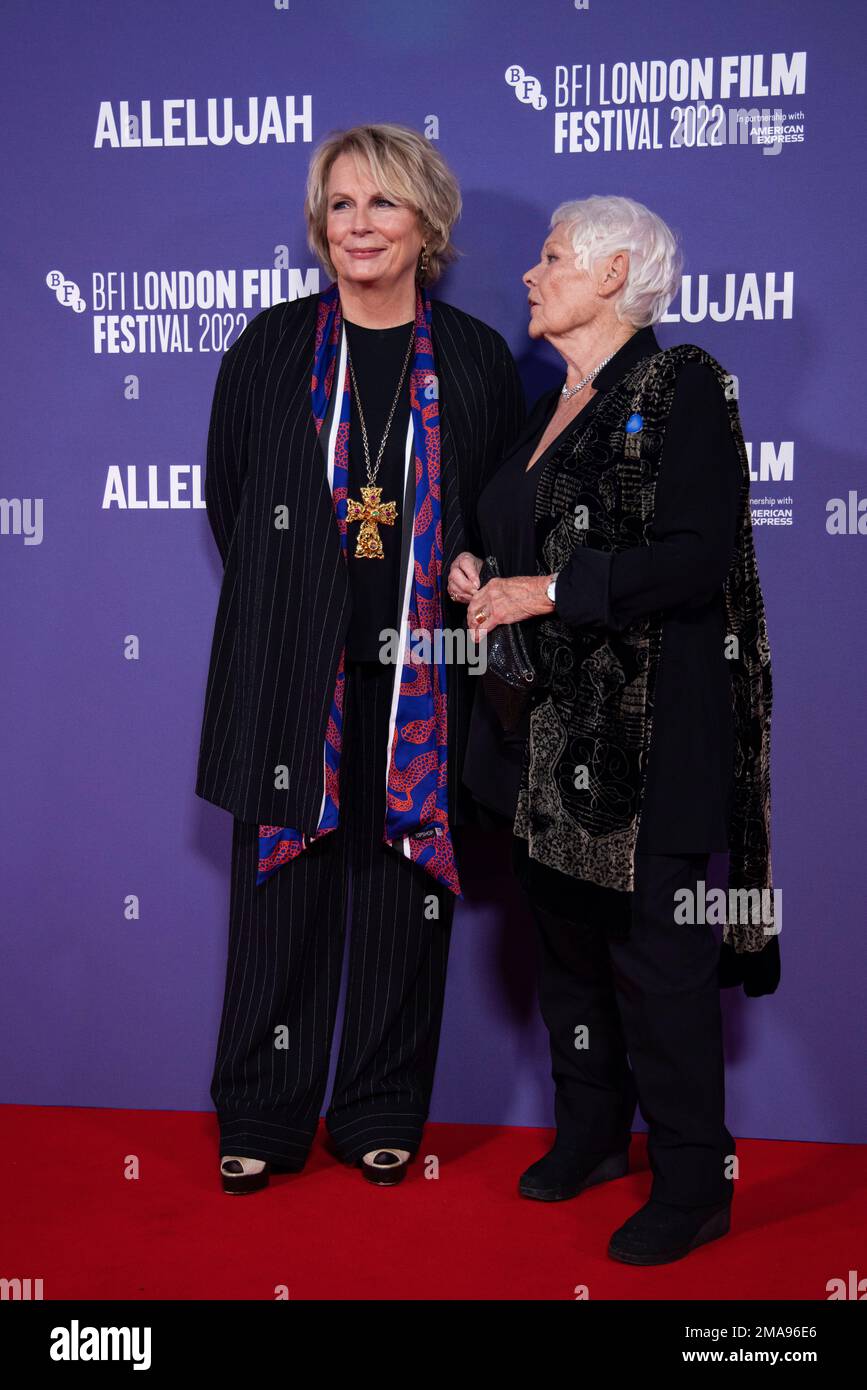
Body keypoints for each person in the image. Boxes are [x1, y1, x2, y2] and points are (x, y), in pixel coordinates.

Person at [196, 123, 525, 1194]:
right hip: (297, 663)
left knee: (404, 900)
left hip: (422, 674)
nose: (359, 226)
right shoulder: (272, 347)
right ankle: (261, 1111)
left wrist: (471, 555)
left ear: (425, 222)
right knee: (280, 895)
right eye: (340, 206)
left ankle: (383, 1105)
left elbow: (497, 512)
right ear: (318, 226)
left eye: (381, 204)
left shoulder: (475, 356)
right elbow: (232, 497)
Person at [452, 195, 778, 1264]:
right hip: (543, 741)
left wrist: (543, 590)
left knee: (661, 970)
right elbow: (511, 533)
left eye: (552, 258)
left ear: (614, 272)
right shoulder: (552, 402)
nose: (532, 275)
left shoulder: (682, 385)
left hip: (645, 744)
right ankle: (592, 1137)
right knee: (568, 957)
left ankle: (693, 1183)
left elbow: (693, 555)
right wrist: (481, 573)